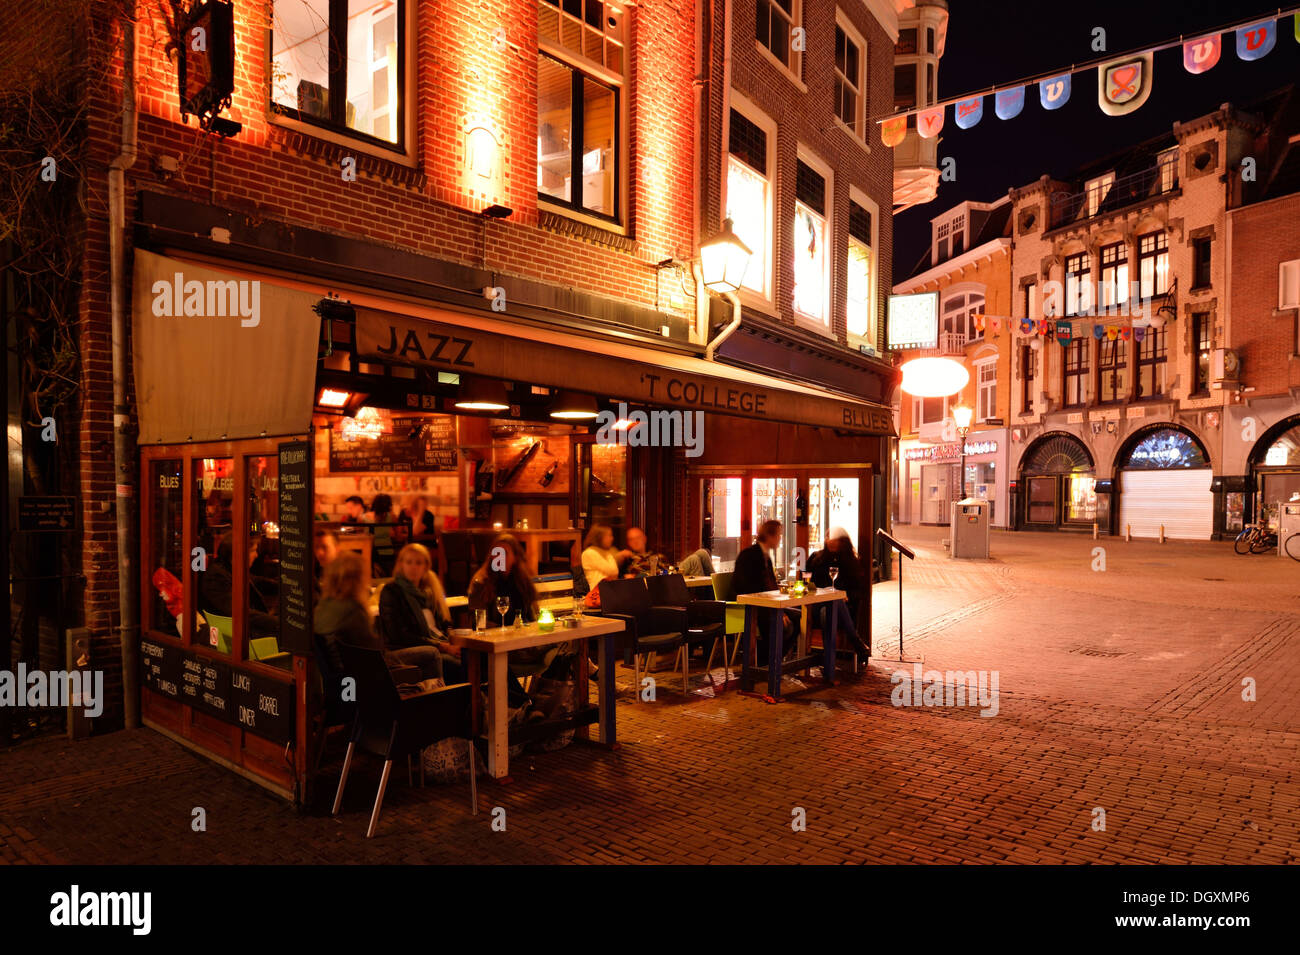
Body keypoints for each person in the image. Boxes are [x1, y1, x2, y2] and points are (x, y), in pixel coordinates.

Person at [314, 554, 442, 682]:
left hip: (342, 679)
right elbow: (374, 654)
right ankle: (435, 699)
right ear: (357, 580)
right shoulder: (354, 610)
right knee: (432, 653)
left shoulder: (323, 607)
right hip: (365, 677)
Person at [467, 534, 548, 706]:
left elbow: (535, 616)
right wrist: (507, 631)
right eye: (496, 553)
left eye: (504, 553)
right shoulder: (481, 582)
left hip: (529, 643)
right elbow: (478, 621)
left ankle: (550, 703)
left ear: (515, 557)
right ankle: (528, 704)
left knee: (564, 652)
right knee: (560, 652)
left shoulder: (522, 582)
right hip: (503, 646)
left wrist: (535, 629)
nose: (499, 557)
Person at [377, 543, 464, 682]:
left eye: (418, 563)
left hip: (439, 644)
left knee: (478, 656)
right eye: (409, 562)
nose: (413, 567)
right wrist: (443, 647)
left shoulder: (428, 591)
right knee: (456, 665)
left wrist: (453, 638)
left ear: (425, 567)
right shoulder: (391, 591)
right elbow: (399, 635)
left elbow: (444, 623)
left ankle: (498, 696)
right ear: (401, 565)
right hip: (405, 649)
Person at [733, 520, 800, 662]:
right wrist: (776, 609)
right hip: (751, 606)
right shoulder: (749, 555)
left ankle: (773, 660)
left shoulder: (766, 557)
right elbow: (744, 586)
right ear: (769, 536)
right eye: (779, 535)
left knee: (799, 617)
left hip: (766, 604)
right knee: (777, 622)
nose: (780, 539)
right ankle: (768, 661)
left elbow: (769, 585)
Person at [807, 526, 871, 663]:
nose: (830, 541)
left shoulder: (851, 563)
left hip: (842, 609)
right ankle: (856, 641)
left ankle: (827, 660)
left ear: (842, 542)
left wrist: (847, 595)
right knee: (827, 609)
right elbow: (806, 582)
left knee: (831, 608)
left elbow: (857, 592)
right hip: (817, 605)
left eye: (834, 539)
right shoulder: (816, 558)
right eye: (828, 538)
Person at [369, 494, 408, 577]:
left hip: (369, 552)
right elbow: (398, 538)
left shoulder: (364, 517)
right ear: (389, 505)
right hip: (386, 553)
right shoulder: (391, 517)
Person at [581, 524, 629, 592]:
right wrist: (613, 554)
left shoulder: (605, 552)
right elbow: (613, 571)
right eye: (609, 535)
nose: (612, 538)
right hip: (599, 593)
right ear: (600, 537)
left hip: (610, 590)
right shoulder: (590, 553)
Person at [313, 529, 339, 602]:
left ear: (336, 549)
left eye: (325, 547)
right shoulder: (313, 572)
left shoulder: (345, 573)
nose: (319, 552)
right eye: (316, 547)